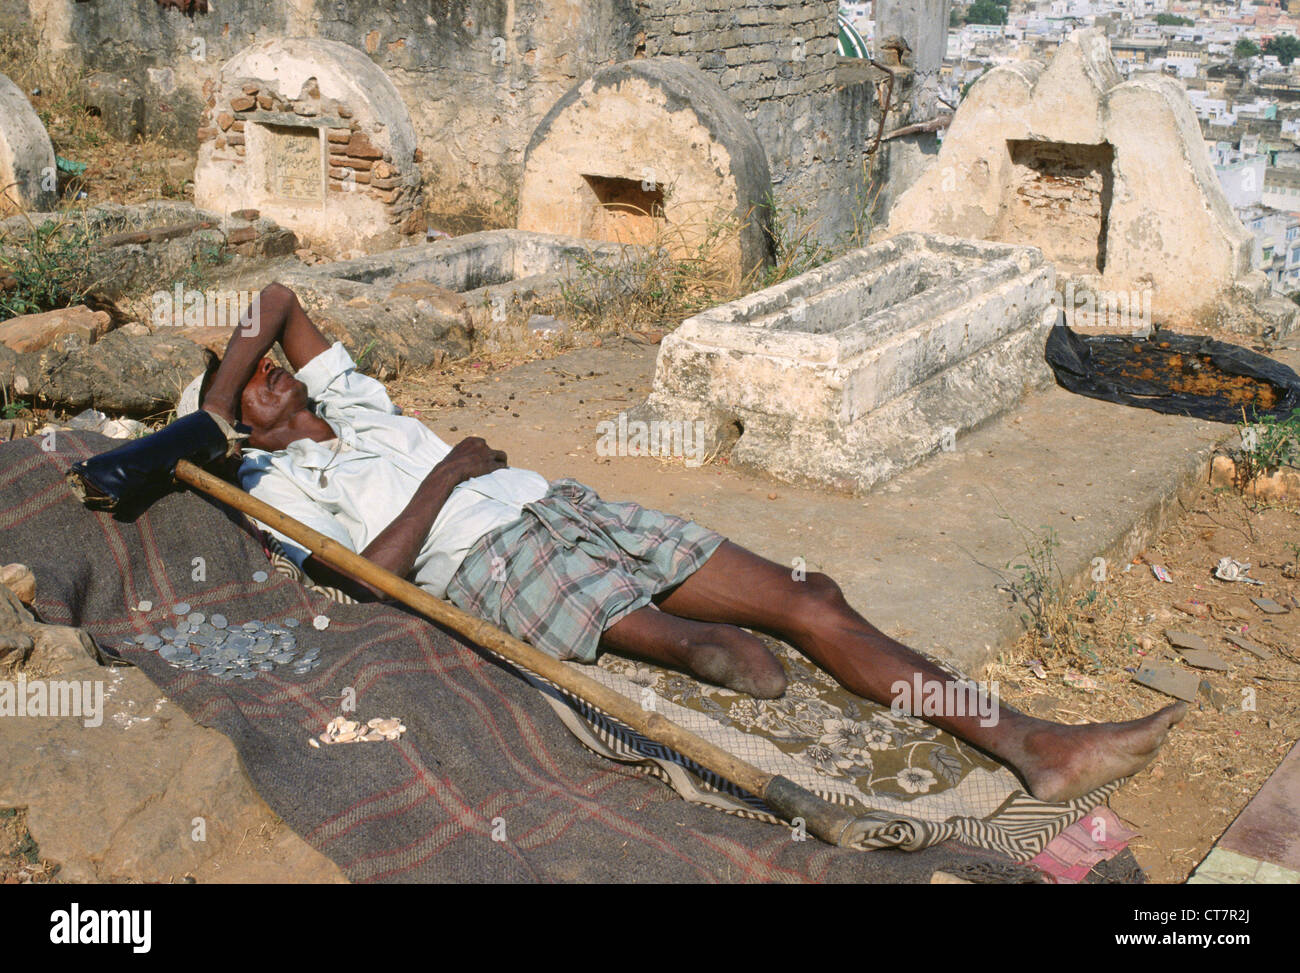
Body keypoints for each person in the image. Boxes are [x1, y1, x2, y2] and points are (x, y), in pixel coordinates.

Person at [197, 283, 1185, 804]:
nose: (274, 370)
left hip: (562, 504)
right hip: (492, 558)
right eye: (251, 379)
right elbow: (357, 578)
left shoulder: (354, 408)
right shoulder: (271, 481)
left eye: (272, 364)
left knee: (817, 598)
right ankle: (686, 648)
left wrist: (236, 373)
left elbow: (277, 294)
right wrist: (449, 472)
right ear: (234, 416)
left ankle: (1033, 743)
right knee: (683, 637)